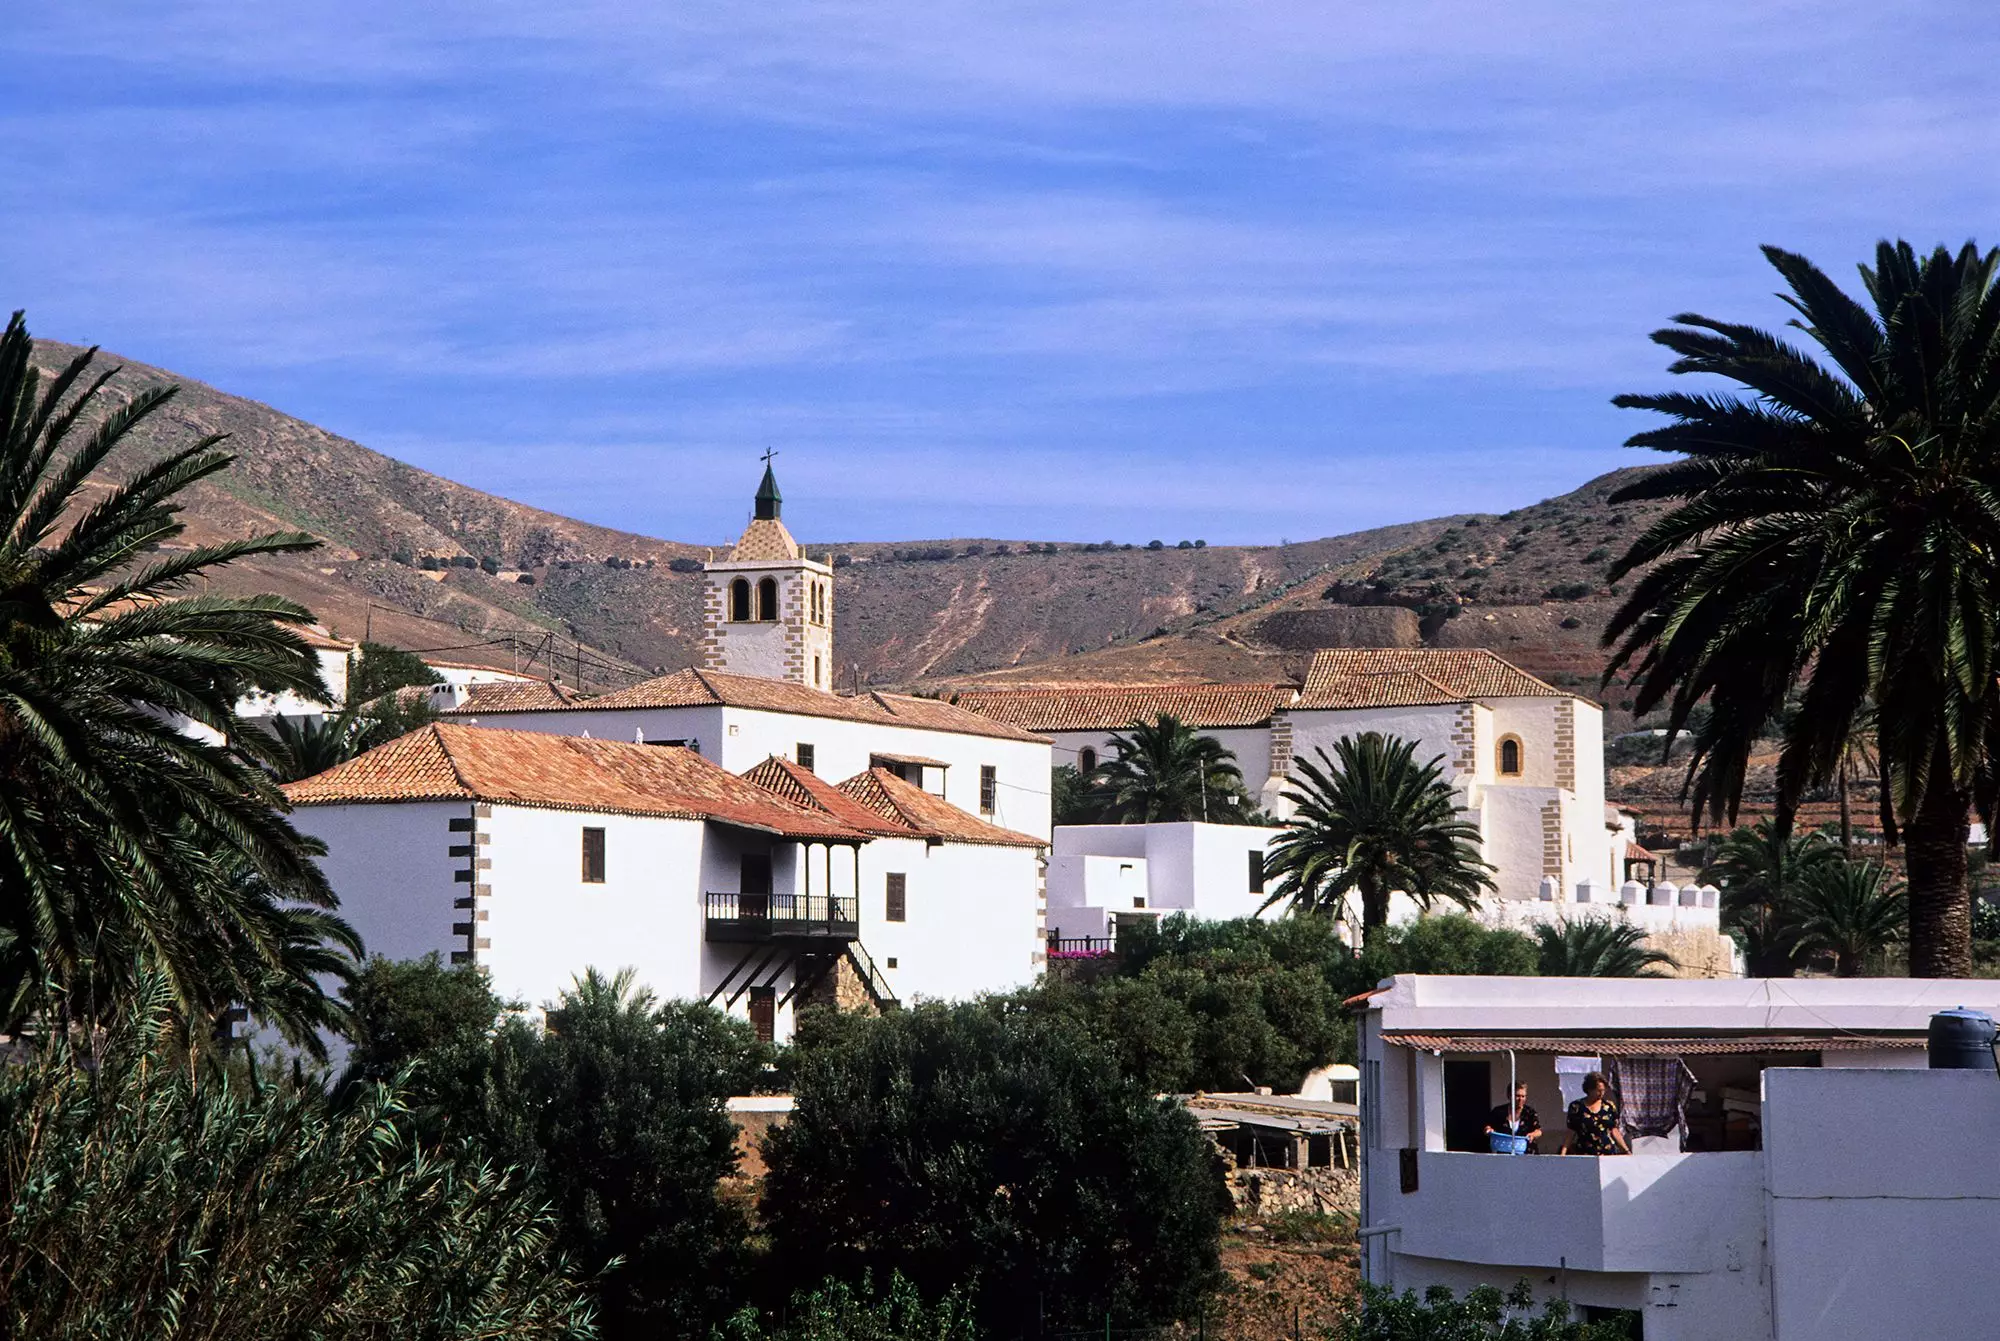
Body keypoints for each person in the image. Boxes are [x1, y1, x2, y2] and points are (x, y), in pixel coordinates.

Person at [1562, 1071, 1630, 1155]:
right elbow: (1571, 1131)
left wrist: (1626, 1150)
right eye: (1598, 1091)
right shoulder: (1576, 1107)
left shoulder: (1609, 1106)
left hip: (1608, 1153)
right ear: (1589, 1089)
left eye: (1603, 1090)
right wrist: (1563, 1152)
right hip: (1585, 1153)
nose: (1601, 1094)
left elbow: (1614, 1130)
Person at [1484, 1083, 1542, 1153]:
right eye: (1517, 1096)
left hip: (1527, 1152)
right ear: (1509, 1096)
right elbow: (1488, 1127)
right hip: (1503, 1151)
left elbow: (1538, 1131)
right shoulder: (1498, 1111)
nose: (1520, 1099)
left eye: (1523, 1096)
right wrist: (1489, 1130)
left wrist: (1532, 1135)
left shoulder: (1530, 1112)